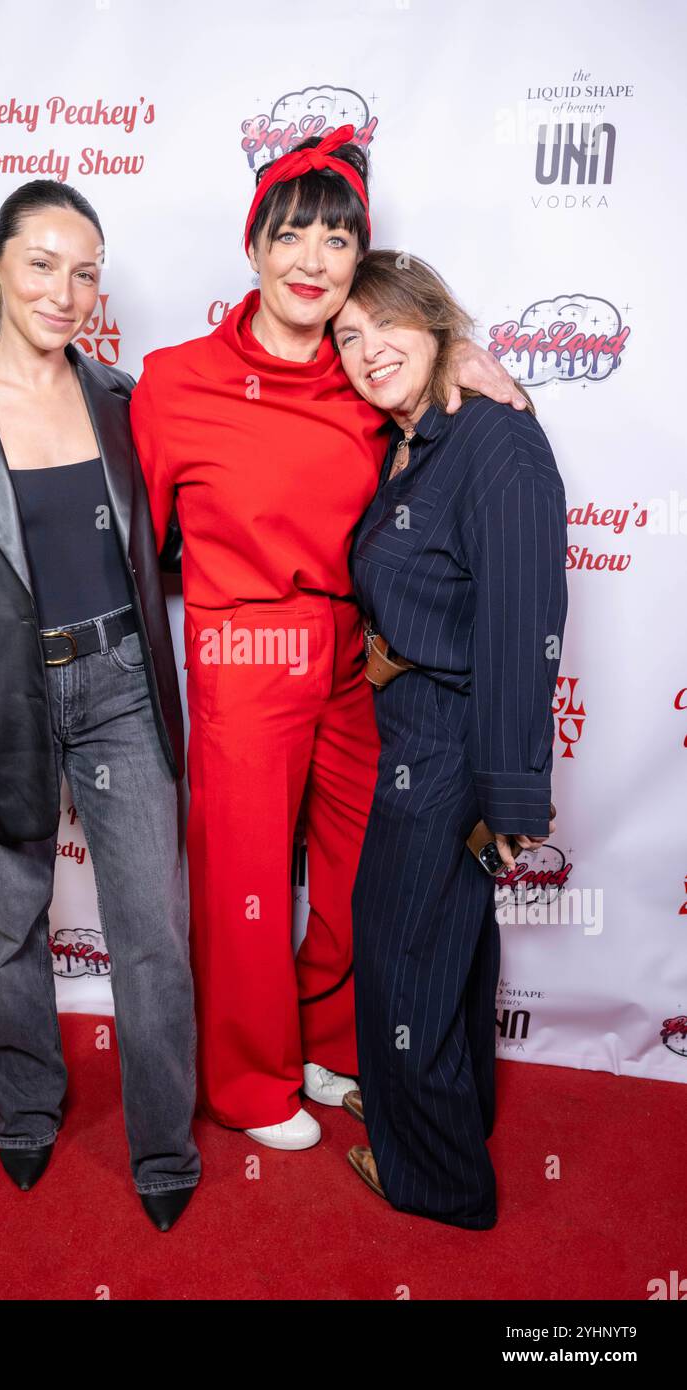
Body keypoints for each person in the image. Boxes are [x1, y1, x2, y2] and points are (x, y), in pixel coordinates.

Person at [129, 126, 528, 1151]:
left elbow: (427, 404)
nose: (312, 259)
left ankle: (331, 1041)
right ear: (252, 246)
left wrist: (467, 356)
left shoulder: (365, 375)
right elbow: (132, 539)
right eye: (292, 234)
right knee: (249, 882)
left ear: (358, 259)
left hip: (355, 656)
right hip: (242, 649)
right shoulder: (174, 383)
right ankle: (248, 1080)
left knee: (364, 869)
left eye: (337, 240)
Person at [0, 179, 199, 1231]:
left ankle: (162, 1137)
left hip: (120, 688)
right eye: (45, 262)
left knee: (150, 926)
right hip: (2, 693)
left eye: (87, 269)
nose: (68, 289)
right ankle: (23, 1103)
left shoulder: (120, 397)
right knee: (11, 920)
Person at [332, 250, 568, 1228]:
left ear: (434, 322)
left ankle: (432, 1175)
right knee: (447, 945)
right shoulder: (419, 434)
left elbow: (521, 624)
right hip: (414, 731)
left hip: (450, 740)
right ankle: (429, 1105)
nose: (364, 348)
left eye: (385, 324)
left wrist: (511, 795)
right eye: (346, 337)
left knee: (400, 946)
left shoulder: (493, 446)